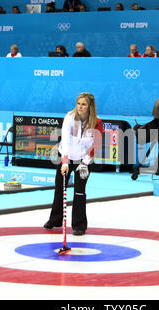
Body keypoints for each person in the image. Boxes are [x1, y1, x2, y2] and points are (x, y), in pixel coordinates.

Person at [44, 92, 103, 236]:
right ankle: (55, 219)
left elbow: (96, 145)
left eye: (83, 104)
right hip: (66, 156)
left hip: (84, 159)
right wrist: (65, 161)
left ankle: (79, 225)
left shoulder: (97, 122)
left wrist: (84, 164)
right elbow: (65, 141)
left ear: (90, 107)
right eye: (78, 103)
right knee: (60, 186)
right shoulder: (70, 117)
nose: (80, 107)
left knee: (79, 191)